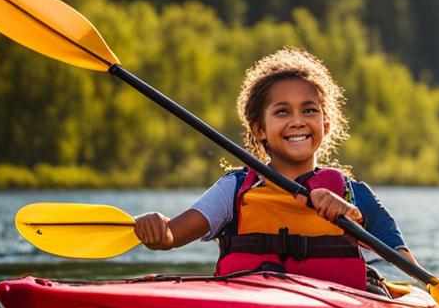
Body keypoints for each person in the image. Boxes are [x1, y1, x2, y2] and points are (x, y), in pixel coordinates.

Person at [132, 48, 415, 292]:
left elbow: (408, 268)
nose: (297, 121)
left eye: (309, 110)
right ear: (260, 129)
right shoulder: (233, 189)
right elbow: (170, 236)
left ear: (326, 124)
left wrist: (353, 218)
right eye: (282, 112)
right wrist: (154, 227)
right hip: (250, 304)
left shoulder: (354, 194)